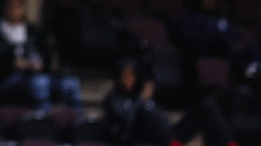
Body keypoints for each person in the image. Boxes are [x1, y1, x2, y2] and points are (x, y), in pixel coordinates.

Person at [99, 59, 233, 146]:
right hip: (138, 138)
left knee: (205, 105)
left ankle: (229, 144)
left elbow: (161, 118)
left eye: (131, 75)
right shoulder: (113, 99)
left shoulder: (139, 96)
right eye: (124, 76)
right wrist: (142, 101)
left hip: (167, 136)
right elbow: (127, 121)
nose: (128, 79)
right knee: (145, 111)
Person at [0, 0, 80, 107]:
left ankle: (79, 120)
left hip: (36, 74)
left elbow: (45, 55)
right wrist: (12, 63)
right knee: (40, 83)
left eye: (19, 6)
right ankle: (43, 119)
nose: (15, 10)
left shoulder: (33, 31)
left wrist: (40, 64)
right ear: (5, 8)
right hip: (8, 79)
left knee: (70, 83)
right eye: (11, 6)